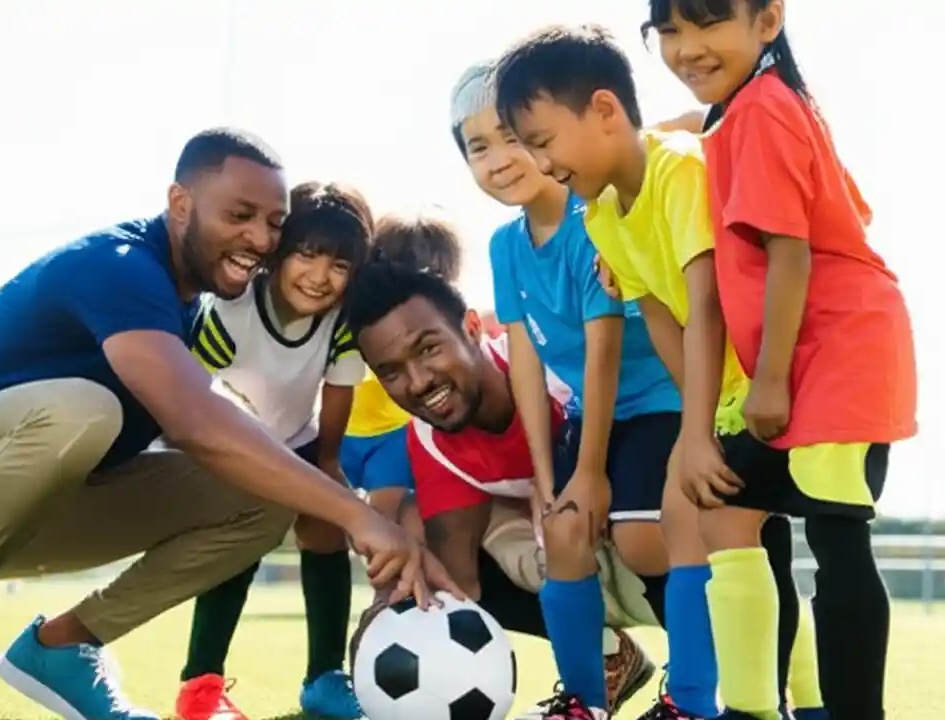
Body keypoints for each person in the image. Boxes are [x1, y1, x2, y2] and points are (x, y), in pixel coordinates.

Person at [0, 128, 455, 720]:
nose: (259, 238)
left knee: (261, 503)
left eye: (274, 223)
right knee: (85, 410)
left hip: (44, 506)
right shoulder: (118, 266)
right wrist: (354, 512)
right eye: (240, 215)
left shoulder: (190, 308)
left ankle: (64, 647)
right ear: (180, 205)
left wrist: (330, 502)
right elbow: (194, 421)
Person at [494, 22, 823, 720]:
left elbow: (706, 305)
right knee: (623, 526)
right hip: (707, 391)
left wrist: (695, 434)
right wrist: (692, 432)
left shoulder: (678, 169)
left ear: (606, 109)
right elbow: (664, 317)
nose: (541, 164)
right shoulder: (602, 211)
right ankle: (601, 700)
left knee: (692, 519)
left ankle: (700, 701)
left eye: (544, 142)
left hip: (770, 381)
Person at [649, 3, 917, 719]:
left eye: (707, 23)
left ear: (768, 21)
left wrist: (769, 381)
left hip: (840, 350)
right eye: (669, 30)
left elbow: (789, 251)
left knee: (836, 534)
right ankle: (760, 707)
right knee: (734, 506)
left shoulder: (764, 108)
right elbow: (678, 134)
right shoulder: (742, 111)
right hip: (803, 353)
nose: (687, 47)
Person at [453, 59, 675, 720]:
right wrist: (551, 480)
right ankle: (586, 698)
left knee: (640, 540)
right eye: (478, 147)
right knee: (563, 537)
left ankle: (696, 685)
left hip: (657, 401)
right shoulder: (504, 245)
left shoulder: (593, 217)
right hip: (585, 417)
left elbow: (603, 348)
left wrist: (591, 471)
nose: (498, 160)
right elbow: (524, 358)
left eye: (513, 136)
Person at [346, 261, 661, 716]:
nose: (418, 382)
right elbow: (459, 583)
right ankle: (608, 658)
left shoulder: (554, 368)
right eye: (391, 371)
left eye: (429, 348)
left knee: (645, 529)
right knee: (421, 529)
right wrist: (386, 617)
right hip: (570, 561)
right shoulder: (430, 439)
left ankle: (720, 684)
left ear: (472, 327)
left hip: (647, 534)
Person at [175, 181, 374, 720]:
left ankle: (325, 678)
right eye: (306, 255)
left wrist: (329, 466)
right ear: (279, 253)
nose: (319, 276)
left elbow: (337, 389)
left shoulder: (340, 324)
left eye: (338, 264)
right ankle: (201, 689)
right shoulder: (231, 310)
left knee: (326, 524)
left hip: (299, 440)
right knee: (241, 541)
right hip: (231, 440)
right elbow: (190, 395)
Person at [340, 212, 466, 521]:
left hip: (394, 436)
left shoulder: (445, 329)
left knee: (385, 516)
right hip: (341, 431)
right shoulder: (355, 318)